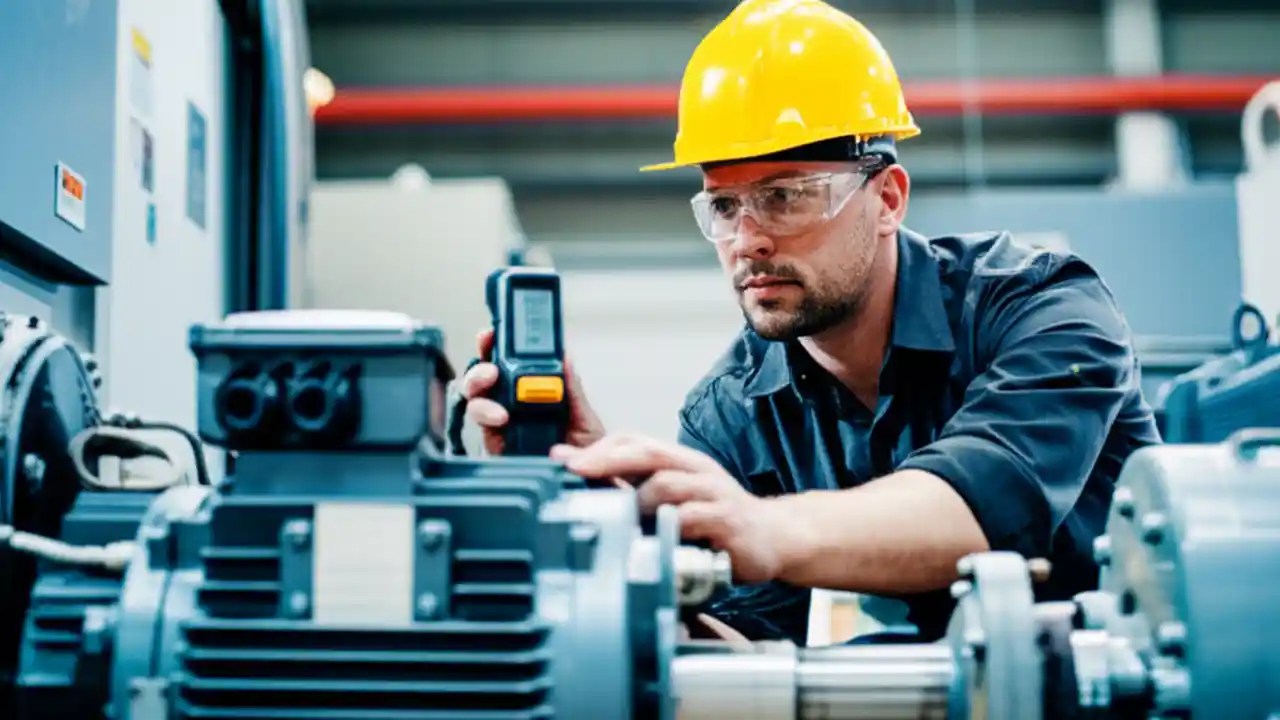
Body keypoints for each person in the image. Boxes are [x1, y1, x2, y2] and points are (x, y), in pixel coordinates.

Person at [460, 0, 1161, 645]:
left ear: (887, 198)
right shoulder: (729, 413)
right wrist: (618, 529)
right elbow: (745, 660)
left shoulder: (1044, 309)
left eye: (787, 196)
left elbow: (980, 508)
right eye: (726, 207)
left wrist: (759, 527)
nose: (748, 239)